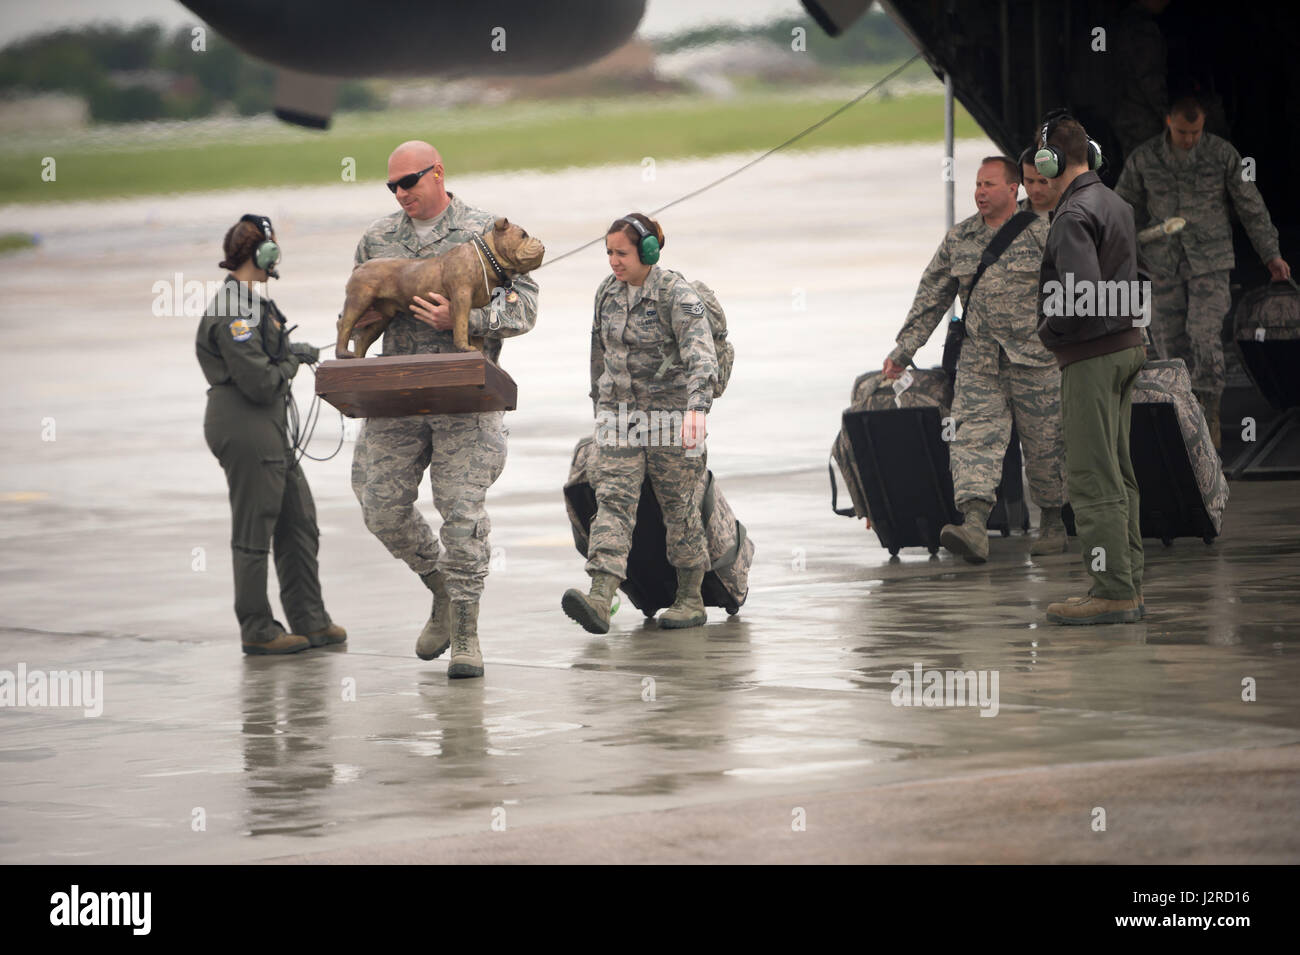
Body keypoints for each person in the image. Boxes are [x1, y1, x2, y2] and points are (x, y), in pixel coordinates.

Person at [350, 141, 539, 679]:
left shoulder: (489, 233)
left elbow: (524, 306)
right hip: (399, 398)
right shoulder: (378, 239)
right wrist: (350, 356)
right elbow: (366, 305)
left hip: (465, 401)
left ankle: (465, 633)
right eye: (392, 186)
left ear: (437, 173)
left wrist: (464, 321)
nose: (400, 193)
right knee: (380, 507)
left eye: (409, 181)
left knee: (461, 516)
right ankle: (439, 587)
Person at [883, 157, 1067, 563]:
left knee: (1046, 446)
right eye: (977, 185)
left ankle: (1053, 522)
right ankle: (974, 525)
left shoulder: (1045, 233)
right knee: (972, 441)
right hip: (980, 362)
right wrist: (903, 351)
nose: (980, 192)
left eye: (989, 184)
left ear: (1013, 188)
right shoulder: (960, 238)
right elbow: (932, 296)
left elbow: (1075, 287)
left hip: (1035, 361)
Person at [561, 213, 718, 634]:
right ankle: (600, 596)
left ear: (648, 252)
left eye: (622, 253)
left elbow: (702, 356)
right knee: (612, 500)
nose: (613, 261)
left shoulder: (676, 295)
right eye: (609, 252)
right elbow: (599, 353)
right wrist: (600, 407)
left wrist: (697, 411)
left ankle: (690, 597)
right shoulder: (606, 294)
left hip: (672, 418)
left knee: (679, 506)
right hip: (620, 418)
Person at [196, 214, 345, 655]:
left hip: (268, 422)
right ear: (261, 253)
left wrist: (289, 353)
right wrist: (292, 362)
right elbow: (259, 381)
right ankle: (257, 626)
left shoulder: (251, 302)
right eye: (273, 246)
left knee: (298, 519)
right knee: (255, 526)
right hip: (244, 422)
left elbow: (265, 363)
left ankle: (309, 619)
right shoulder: (233, 310)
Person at [1115, 94, 1291, 449]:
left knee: (1204, 335)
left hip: (1209, 262)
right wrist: (1120, 252)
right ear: (1169, 122)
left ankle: (1208, 413)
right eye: (1182, 132)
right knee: (1169, 344)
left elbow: (1250, 205)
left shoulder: (1221, 154)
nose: (1190, 139)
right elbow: (1122, 206)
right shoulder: (1146, 158)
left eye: (1195, 132)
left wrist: (1271, 254)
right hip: (1163, 263)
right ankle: (1180, 420)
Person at [1034, 113, 1147, 625]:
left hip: (1091, 356)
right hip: (1125, 348)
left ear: (1049, 161)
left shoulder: (1073, 214)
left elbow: (1079, 295)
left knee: (1090, 473)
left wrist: (1050, 334)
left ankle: (1111, 590)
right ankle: (1127, 582)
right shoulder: (1117, 203)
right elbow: (1137, 280)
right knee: (1119, 471)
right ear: (1092, 154)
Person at [1019, 146, 1064, 217]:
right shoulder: (1009, 214)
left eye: (1044, 182)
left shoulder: (1078, 212)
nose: (1036, 189)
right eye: (1030, 181)